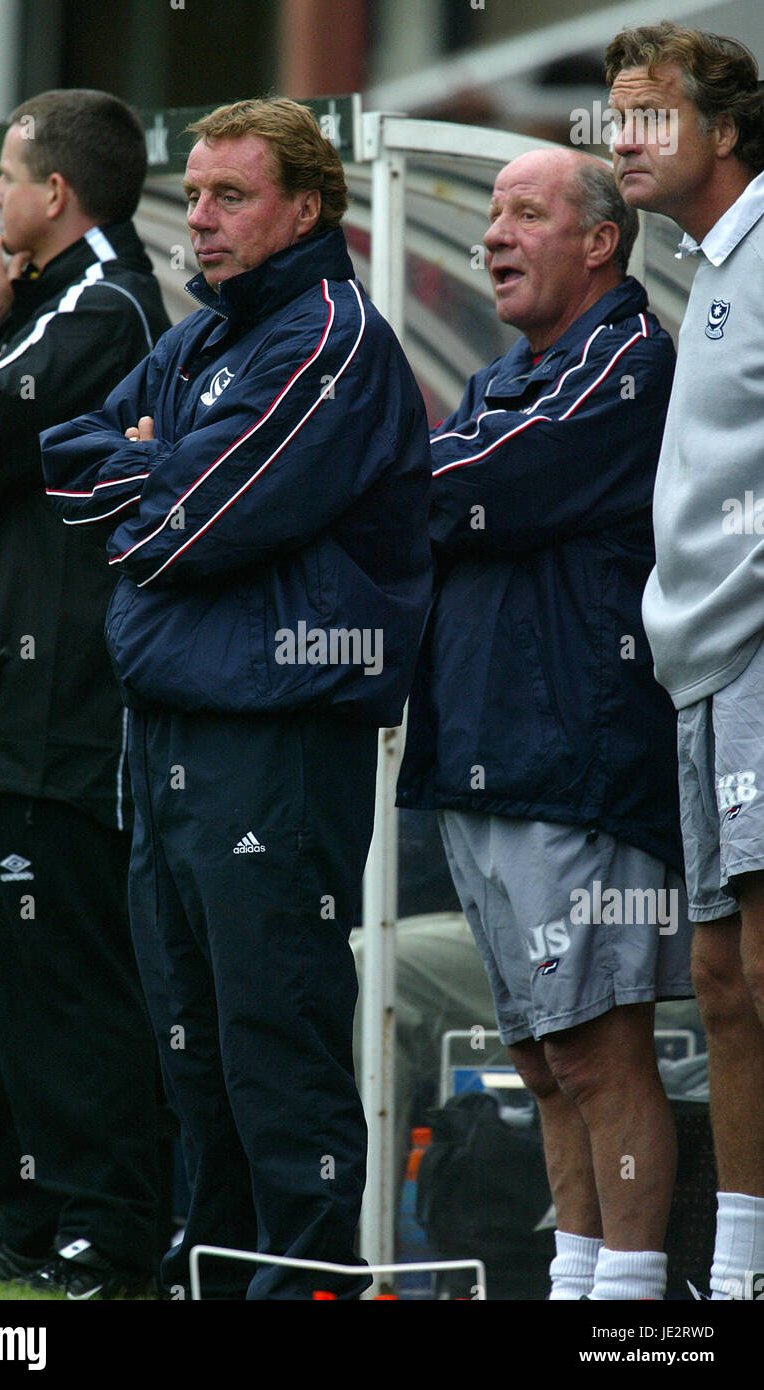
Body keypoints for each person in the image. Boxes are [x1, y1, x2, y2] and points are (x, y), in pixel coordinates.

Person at [41, 96, 433, 1299]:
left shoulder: (328, 337)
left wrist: (152, 470)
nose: (197, 220)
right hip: (171, 728)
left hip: (277, 733)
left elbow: (189, 530)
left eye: (229, 196)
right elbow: (65, 469)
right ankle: (208, 1276)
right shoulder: (203, 340)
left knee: (276, 1031)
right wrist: (158, 463)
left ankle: (303, 1284)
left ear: (305, 208)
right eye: (193, 195)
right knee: (190, 1039)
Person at [397, 147, 693, 1301]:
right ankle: (568, 1282)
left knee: (598, 1050)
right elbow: (445, 487)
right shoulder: (503, 371)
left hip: (568, 759)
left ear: (599, 241)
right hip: (479, 757)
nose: (494, 235)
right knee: (539, 1055)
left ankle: (625, 1295)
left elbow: (487, 484)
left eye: (526, 214)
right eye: (490, 216)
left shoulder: (625, 360)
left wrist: (378, 480)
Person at [0, 89, 171, 1297]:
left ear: (55, 192)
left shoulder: (104, 304)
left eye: (8, 178)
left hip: (45, 717)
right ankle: (27, 1223)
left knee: (60, 990)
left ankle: (102, 1235)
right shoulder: (45, 301)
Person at [607, 20, 764, 1300]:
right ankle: (734, 1274)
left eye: (650, 117)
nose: (622, 142)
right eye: (614, 119)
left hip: (757, 653)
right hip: (697, 665)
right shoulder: (703, 262)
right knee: (716, 981)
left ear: (723, 130)